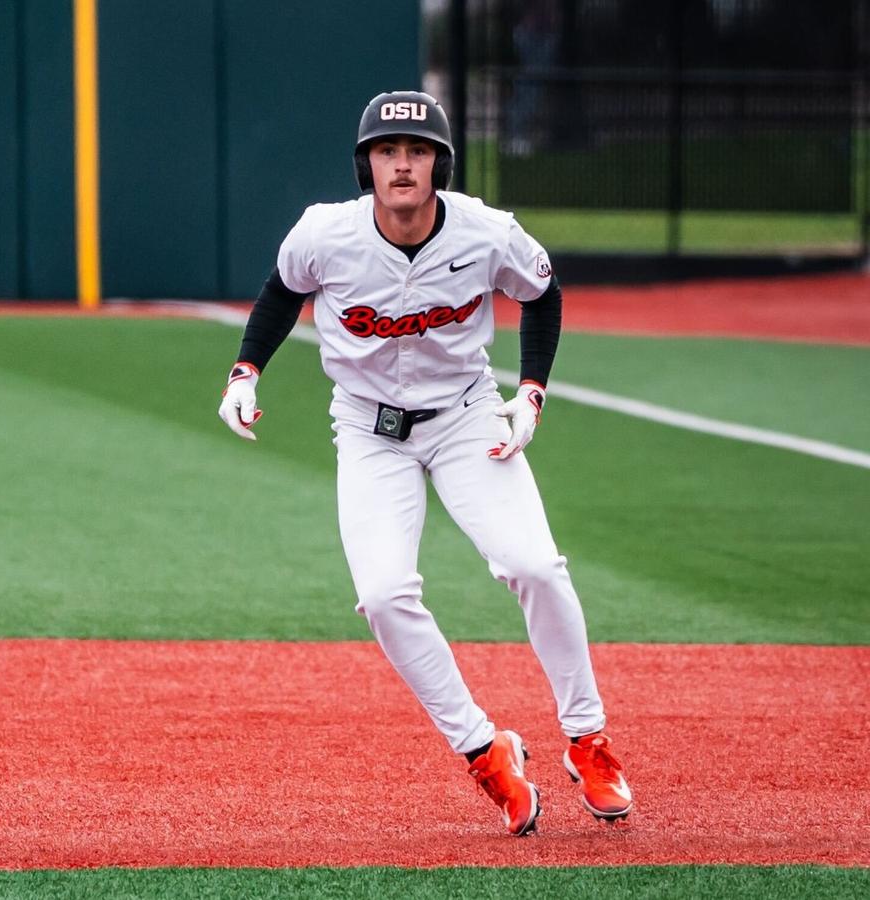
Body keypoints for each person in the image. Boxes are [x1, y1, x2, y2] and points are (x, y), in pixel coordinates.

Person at [217, 90, 631, 836]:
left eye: (416, 152)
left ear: (439, 162)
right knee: (381, 595)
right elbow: (282, 292)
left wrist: (531, 393)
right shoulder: (326, 234)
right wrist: (245, 371)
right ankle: (485, 751)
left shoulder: (485, 231)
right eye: (387, 151)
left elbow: (543, 292)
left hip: (468, 417)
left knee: (534, 566)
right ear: (366, 164)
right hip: (368, 430)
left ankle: (587, 739)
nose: (401, 165)